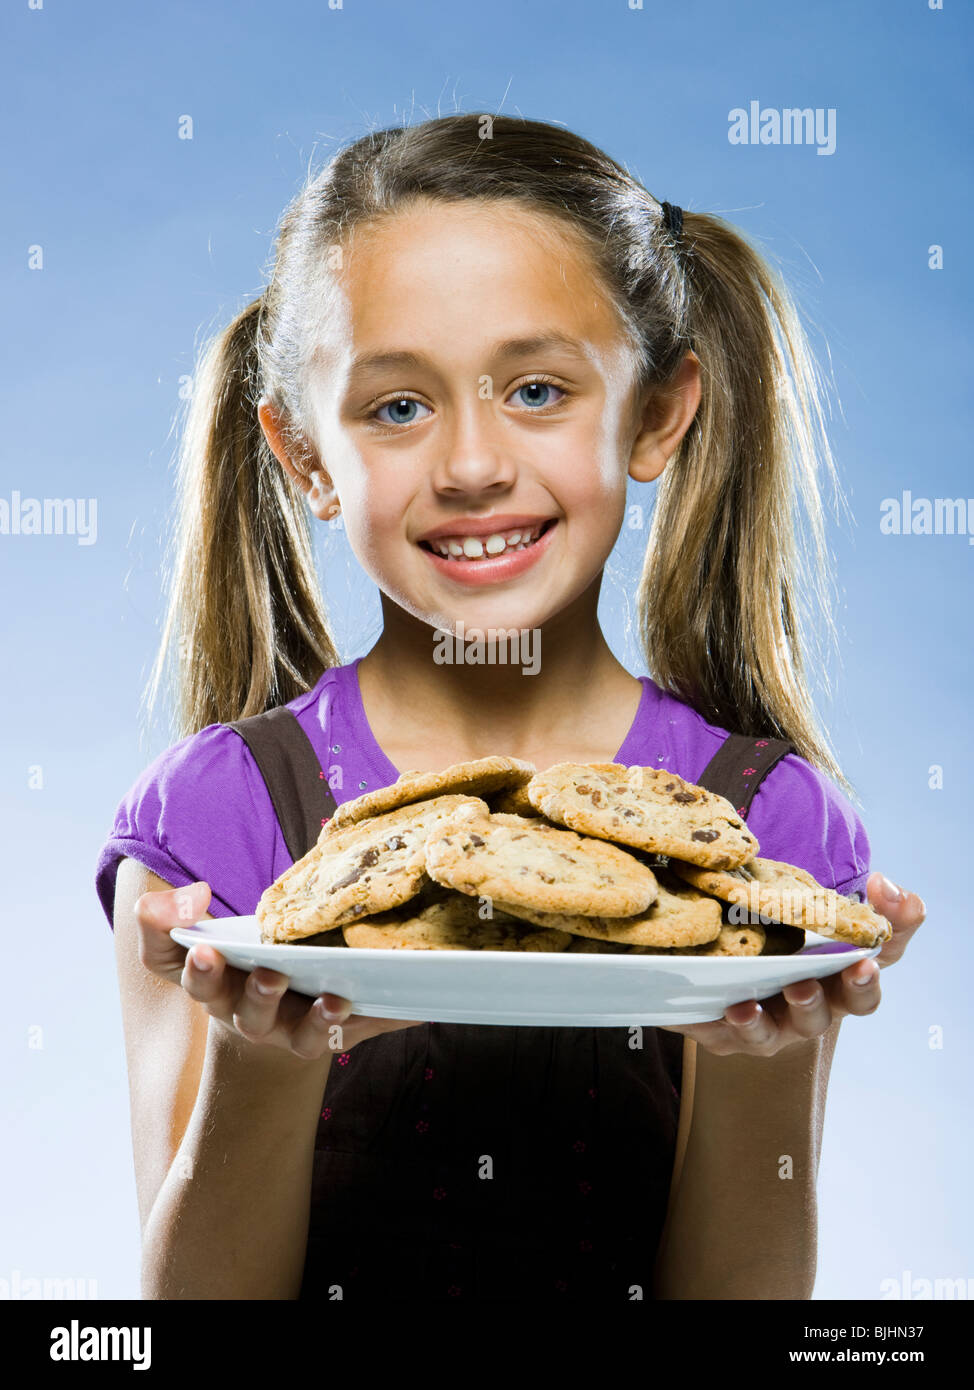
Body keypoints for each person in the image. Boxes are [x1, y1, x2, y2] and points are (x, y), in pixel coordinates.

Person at [95, 113, 925, 1302]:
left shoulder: (762, 832)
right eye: (395, 407)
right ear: (304, 456)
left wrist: (759, 1062)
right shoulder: (216, 821)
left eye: (537, 389)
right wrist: (258, 1060)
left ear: (654, 414)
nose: (473, 463)